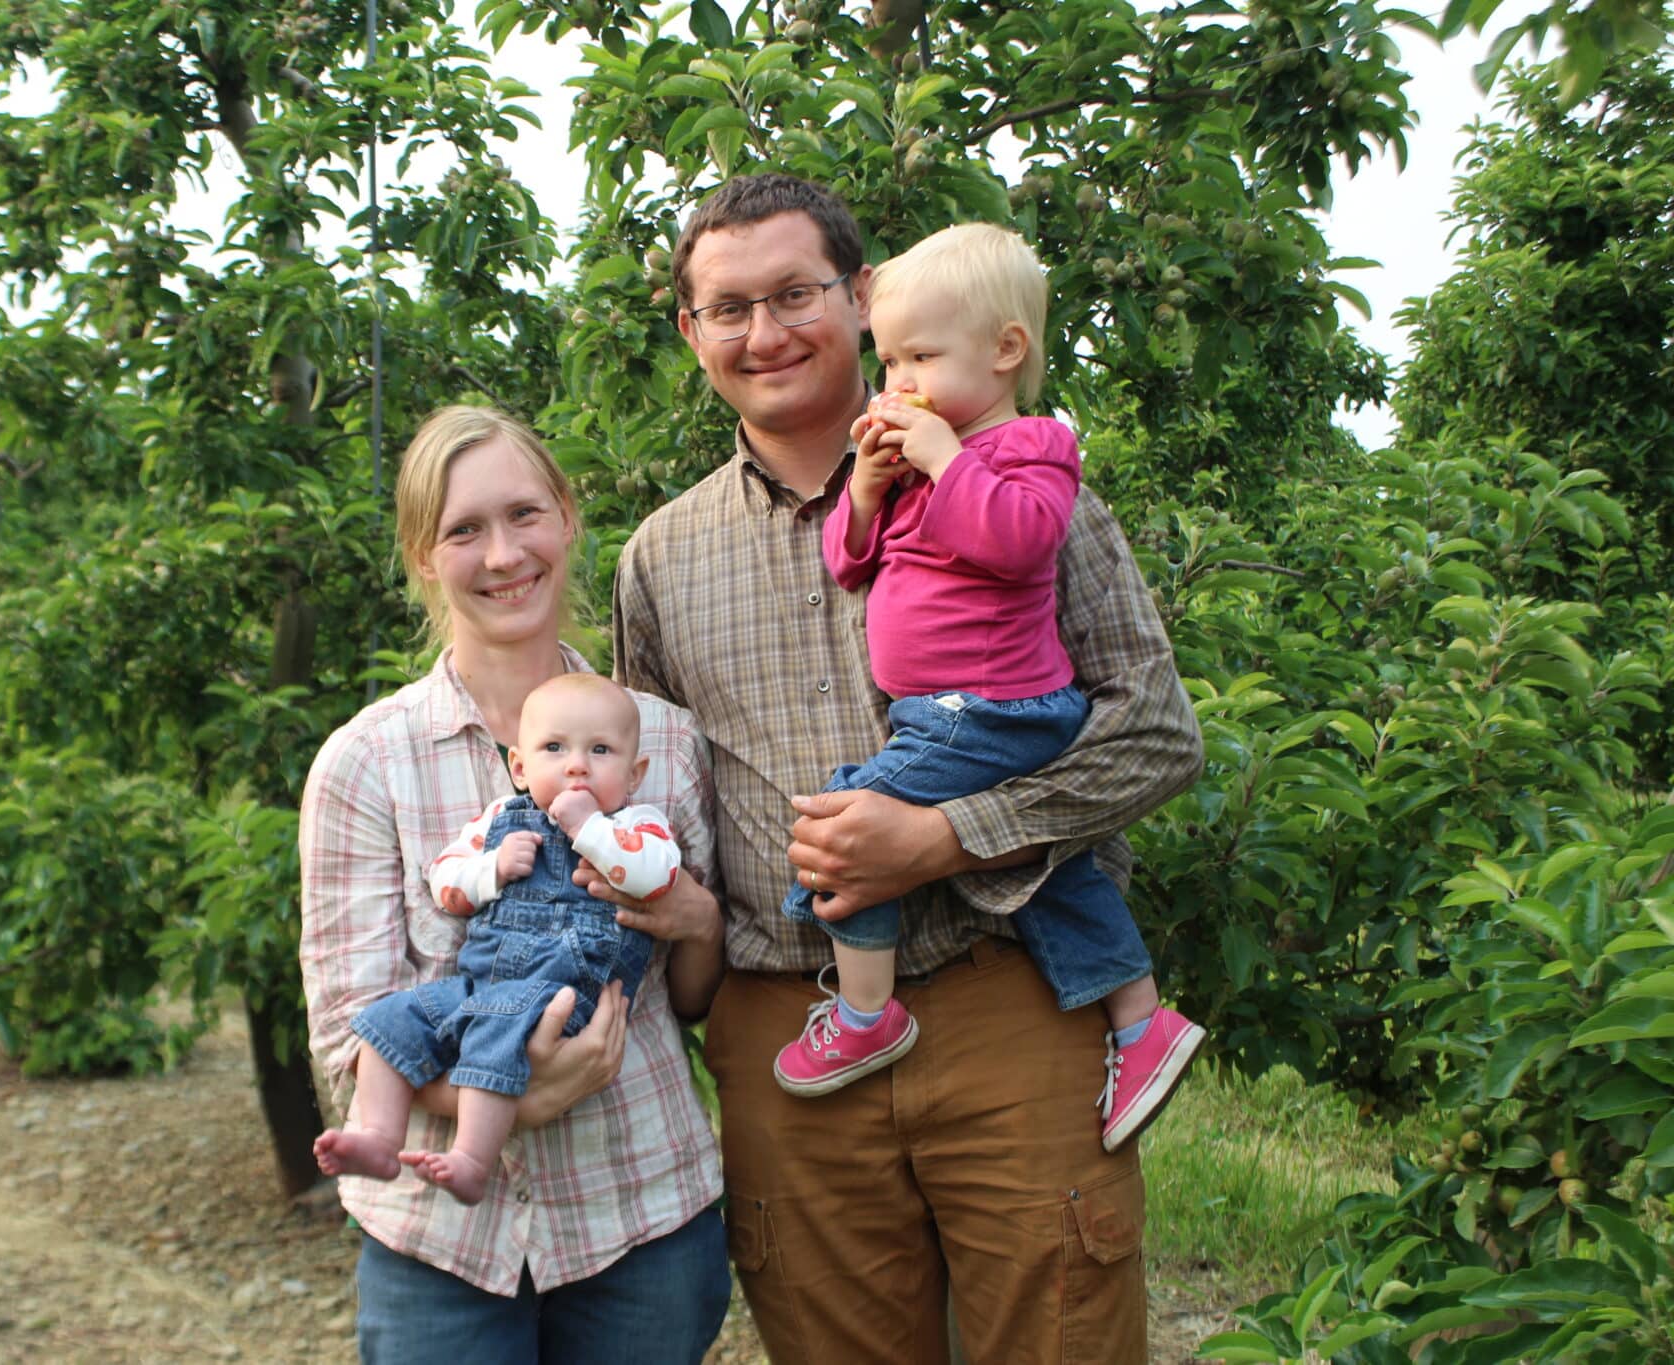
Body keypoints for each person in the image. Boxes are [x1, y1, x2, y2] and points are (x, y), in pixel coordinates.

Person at [613, 175, 1204, 1362]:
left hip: (1009, 998)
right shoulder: (661, 558)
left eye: (795, 293)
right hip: (790, 1036)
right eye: (728, 308)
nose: (765, 332)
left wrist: (944, 838)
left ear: (859, 295)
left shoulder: (1014, 484)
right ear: (690, 331)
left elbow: (1153, 731)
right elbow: (656, 808)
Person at [299, 405, 729, 1363]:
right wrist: (510, 1101)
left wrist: (699, 921)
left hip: (640, 1212)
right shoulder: (367, 763)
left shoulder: (662, 739)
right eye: (464, 529)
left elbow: (697, 998)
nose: (503, 554)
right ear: (424, 556)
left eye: (524, 514)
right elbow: (348, 1032)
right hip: (442, 1248)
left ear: (567, 517)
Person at [770, 222, 1206, 1153]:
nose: (897, 384)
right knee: (1048, 877)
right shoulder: (917, 471)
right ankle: (1140, 1020)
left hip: (993, 708)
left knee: (847, 827)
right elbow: (848, 564)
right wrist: (867, 491)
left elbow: (1018, 539)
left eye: (921, 358)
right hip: (950, 714)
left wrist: (942, 460)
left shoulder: (1030, 449)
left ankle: (866, 1014)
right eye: (890, 362)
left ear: (1006, 350)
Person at [313, 672, 685, 1205]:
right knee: (391, 1021)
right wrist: (492, 869)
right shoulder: (500, 821)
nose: (577, 765)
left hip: (561, 992)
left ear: (634, 774)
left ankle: (470, 1159)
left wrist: (590, 830)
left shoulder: (638, 827)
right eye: (554, 748)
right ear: (520, 767)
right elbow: (446, 882)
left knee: (497, 1027)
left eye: (600, 750)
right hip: (480, 982)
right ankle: (378, 1136)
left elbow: (653, 878)